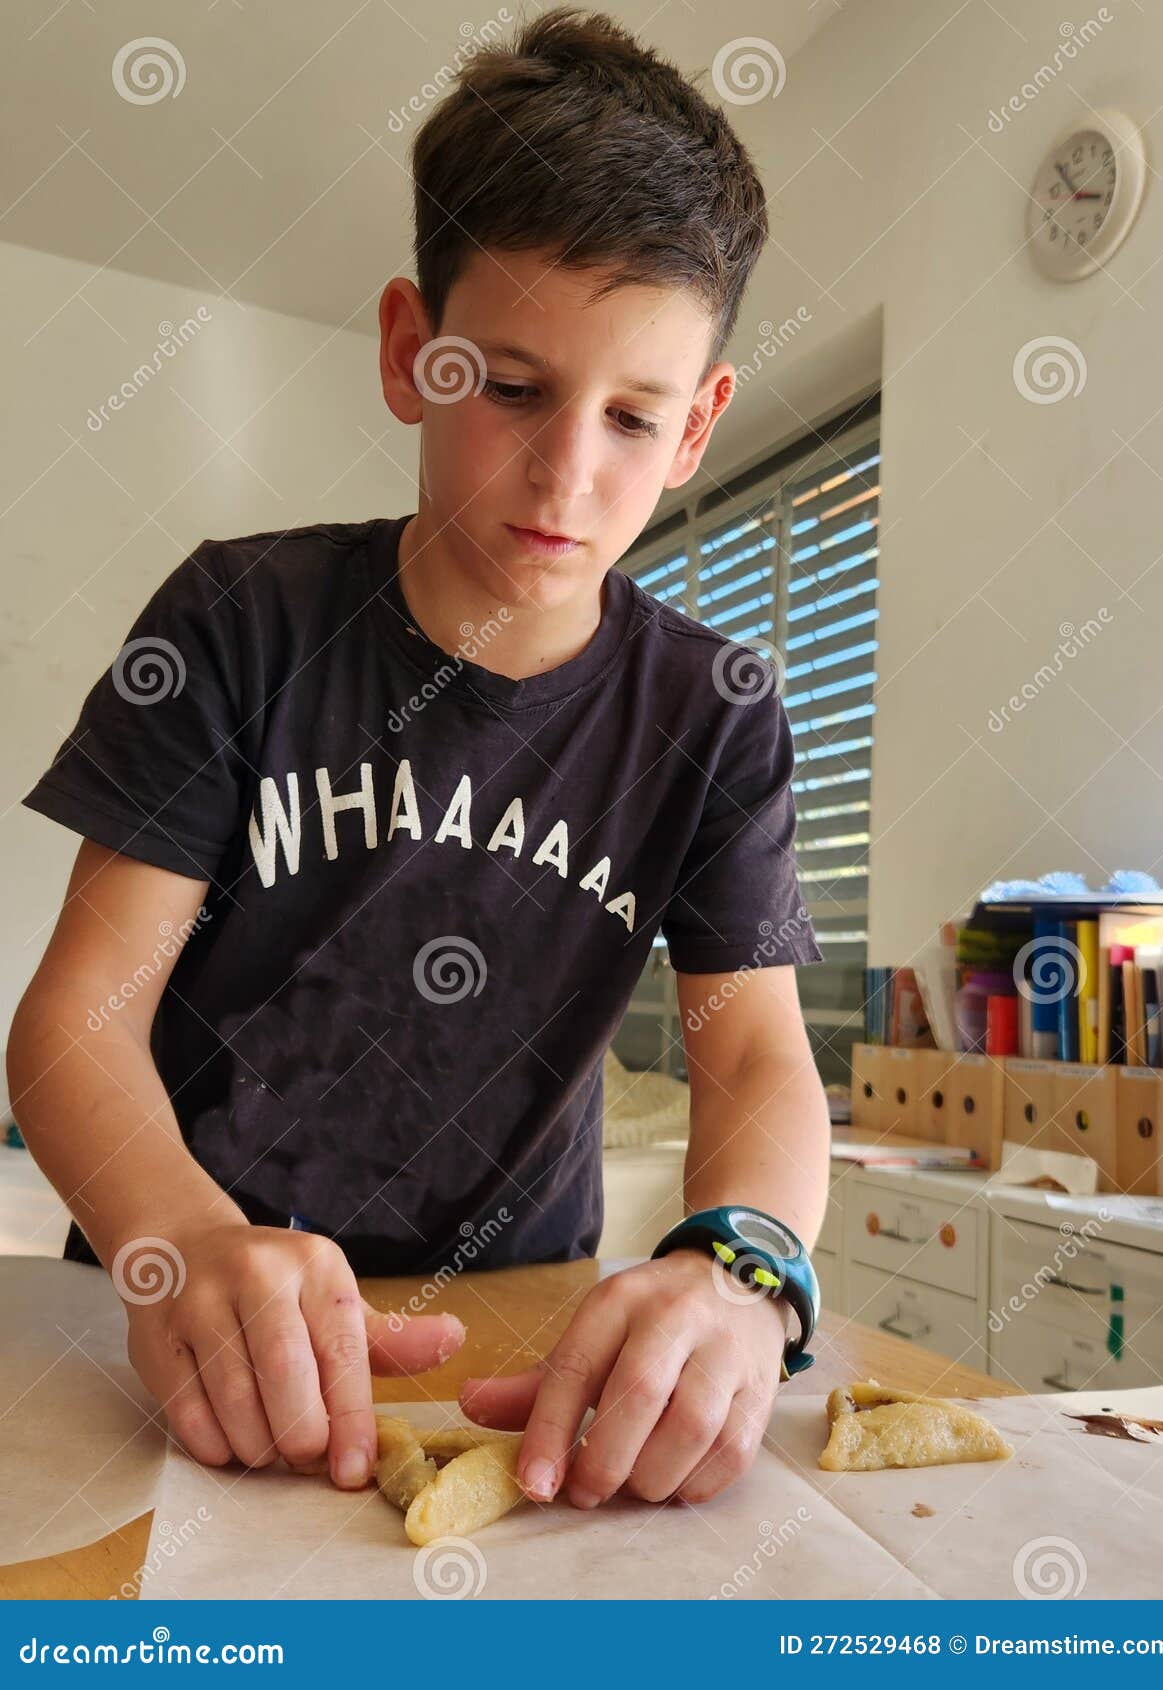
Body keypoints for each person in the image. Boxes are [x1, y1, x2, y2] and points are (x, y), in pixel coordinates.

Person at [9, 6, 829, 1515]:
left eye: (635, 417)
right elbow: (74, 1020)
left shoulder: (712, 710)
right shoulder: (238, 622)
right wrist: (180, 1237)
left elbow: (759, 1052)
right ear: (412, 351)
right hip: (184, 1322)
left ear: (702, 423)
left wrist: (743, 1264)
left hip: (519, 1339)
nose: (569, 475)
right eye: (512, 388)